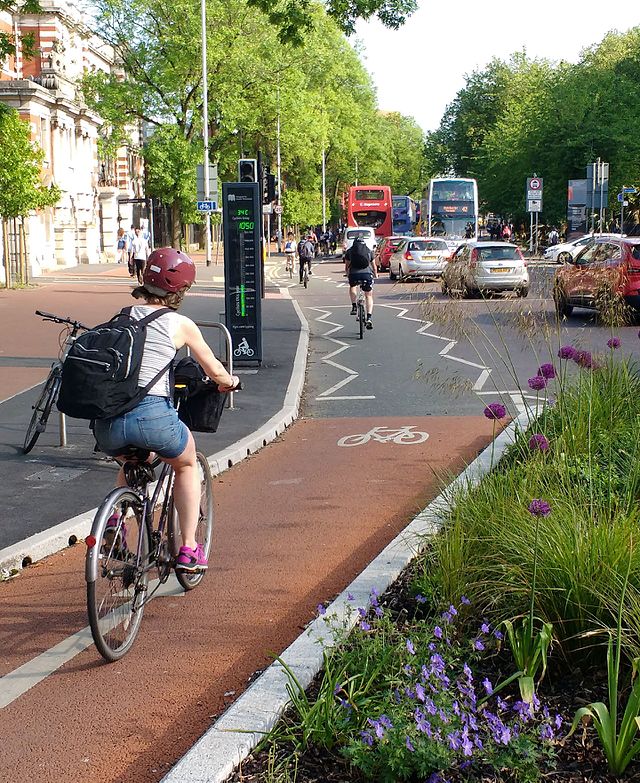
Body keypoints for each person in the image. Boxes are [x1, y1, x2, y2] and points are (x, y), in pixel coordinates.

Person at [93, 248, 239, 573]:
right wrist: (230, 381)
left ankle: (115, 521)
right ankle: (188, 549)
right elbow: (215, 371)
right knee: (187, 464)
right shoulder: (180, 324)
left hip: (107, 424)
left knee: (135, 460)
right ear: (180, 290)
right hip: (152, 417)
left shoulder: (121, 317)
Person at [345, 237, 378, 329]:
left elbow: (347, 267)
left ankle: (354, 306)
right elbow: (374, 266)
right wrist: (375, 274)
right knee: (369, 295)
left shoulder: (350, 251)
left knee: (352, 286)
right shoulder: (369, 251)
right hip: (367, 274)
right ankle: (369, 318)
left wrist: (348, 275)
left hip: (354, 274)